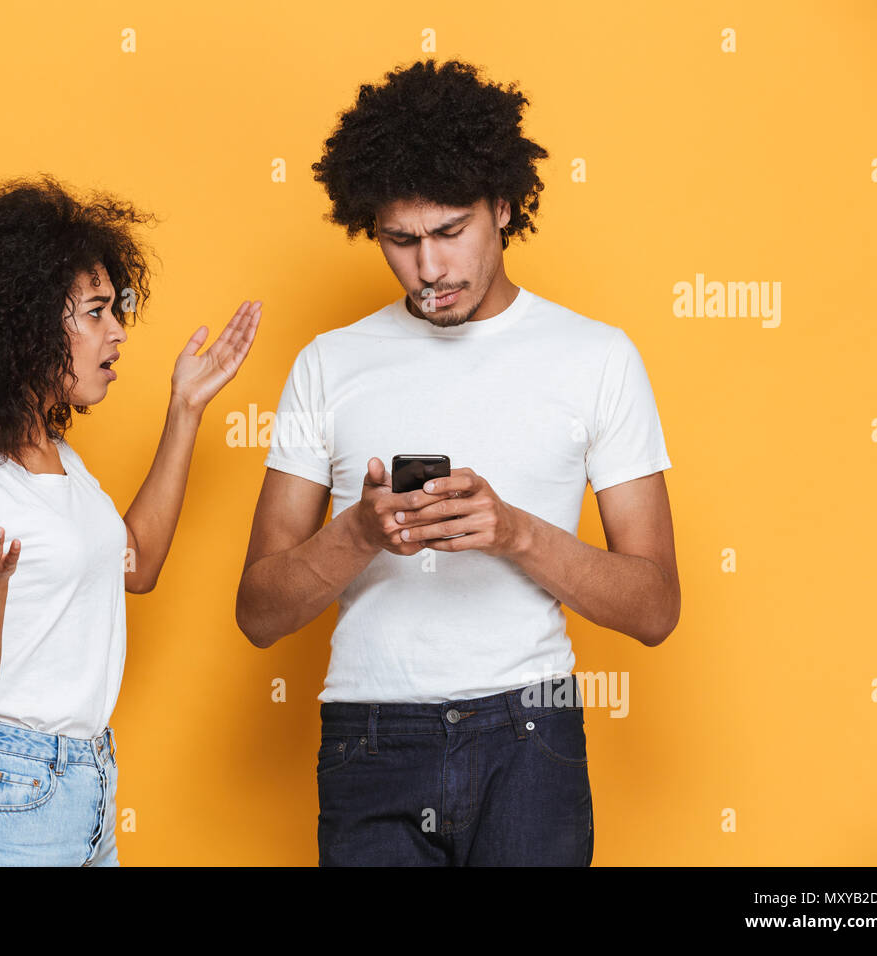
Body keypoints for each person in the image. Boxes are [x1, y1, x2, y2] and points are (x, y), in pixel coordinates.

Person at [235, 59, 678, 866]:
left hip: (530, 733)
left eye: (449, 232)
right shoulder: (329, 364)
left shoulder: (598, 358)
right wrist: (359, 534)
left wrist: (515, 534)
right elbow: (259, 614)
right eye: (401, 241)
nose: (430, 270)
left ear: (503, 208)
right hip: (370, 735)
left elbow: (654, 608)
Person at [0, 174, 260, 866]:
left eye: (115, 310)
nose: (117, 331)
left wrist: (186, 410)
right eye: (94, 312)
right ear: (23, 324)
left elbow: (137, 564)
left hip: (85, 788)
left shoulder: (63, 463)